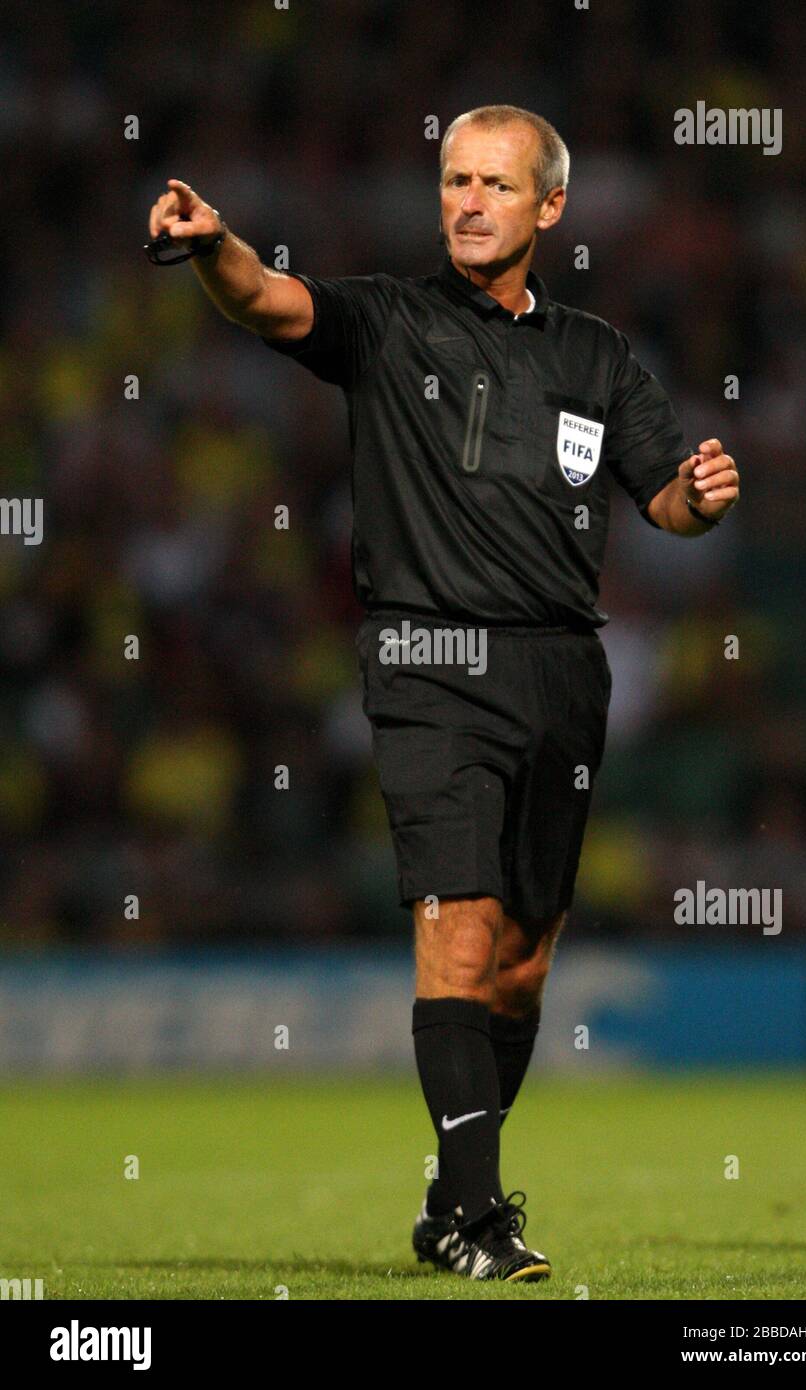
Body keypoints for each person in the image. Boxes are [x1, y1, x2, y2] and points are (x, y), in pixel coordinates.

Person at [147, 103, 739, 1283]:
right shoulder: (383, 319)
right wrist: (214, 245)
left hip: (562, 671)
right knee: (457, 930)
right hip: (428, 662)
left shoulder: (596, 357)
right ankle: (480, 1220)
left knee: (519, 961)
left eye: (495, 184)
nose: (467, 201)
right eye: (453, 179)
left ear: (548, 208)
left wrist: (700, 496)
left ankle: (447, 1193)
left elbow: (661, 500)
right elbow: (271, 300)